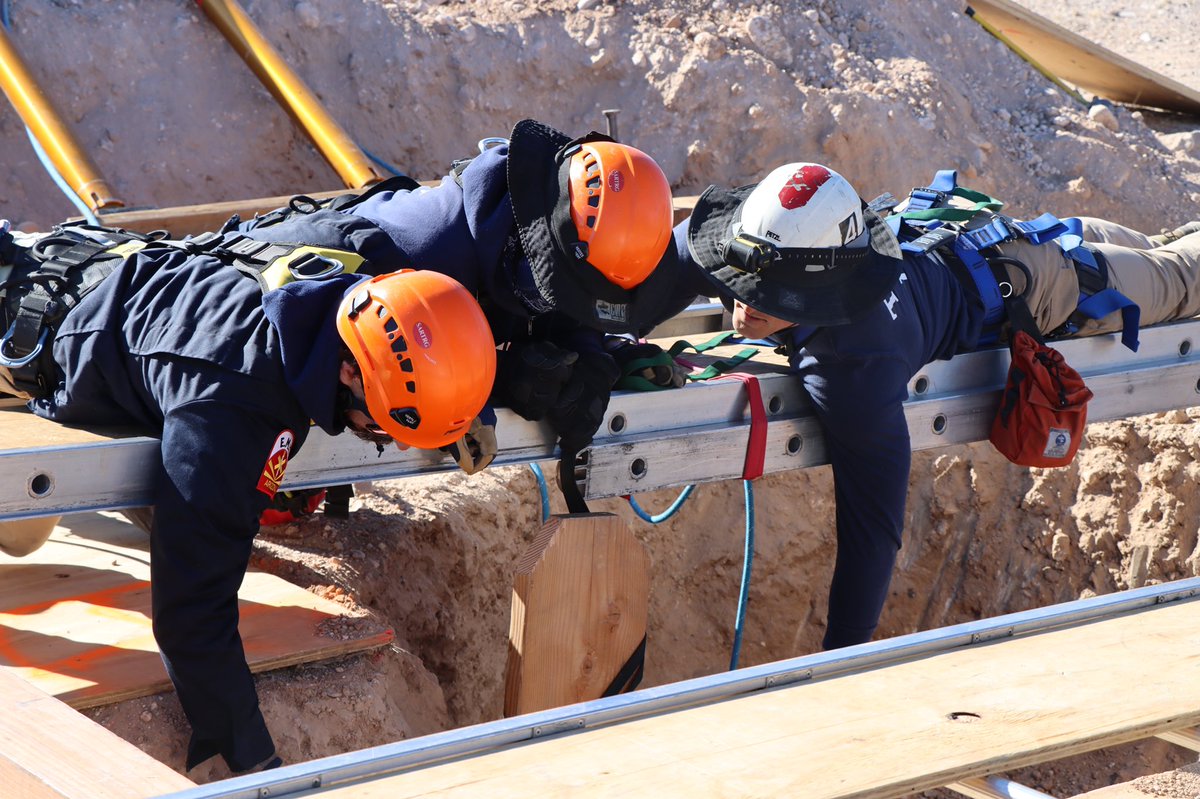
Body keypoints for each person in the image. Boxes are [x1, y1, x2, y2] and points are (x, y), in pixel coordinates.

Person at [0, 217, 497, 774]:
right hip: (35, 318)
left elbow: (427, 328)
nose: (384, 441)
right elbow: (192, 606)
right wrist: (252, 756)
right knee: (19, 535)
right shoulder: (233, 410)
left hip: (90, 265)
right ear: (350, 375)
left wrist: (454, 407)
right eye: (381, 427)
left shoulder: (346, 290)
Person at [669, 161, 1200, 651]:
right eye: (744, 277)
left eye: (772, 290)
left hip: (1046, 280)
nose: (746, 298)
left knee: (1183, 279)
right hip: (988, 236)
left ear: (820, 284)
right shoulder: (758, 241)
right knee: (1160, 250)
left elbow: (872, 528)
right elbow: (667, 261)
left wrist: (841, 661)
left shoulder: (853, 362)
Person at [236, 118, 681, 483]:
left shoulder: (533, 237)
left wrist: (592, 363)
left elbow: (575, 308)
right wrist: (470, 406)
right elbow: (374, 358)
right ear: (537, 238)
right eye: (562, 284)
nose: (566, 297)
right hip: (248, 320)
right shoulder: (421, 251)